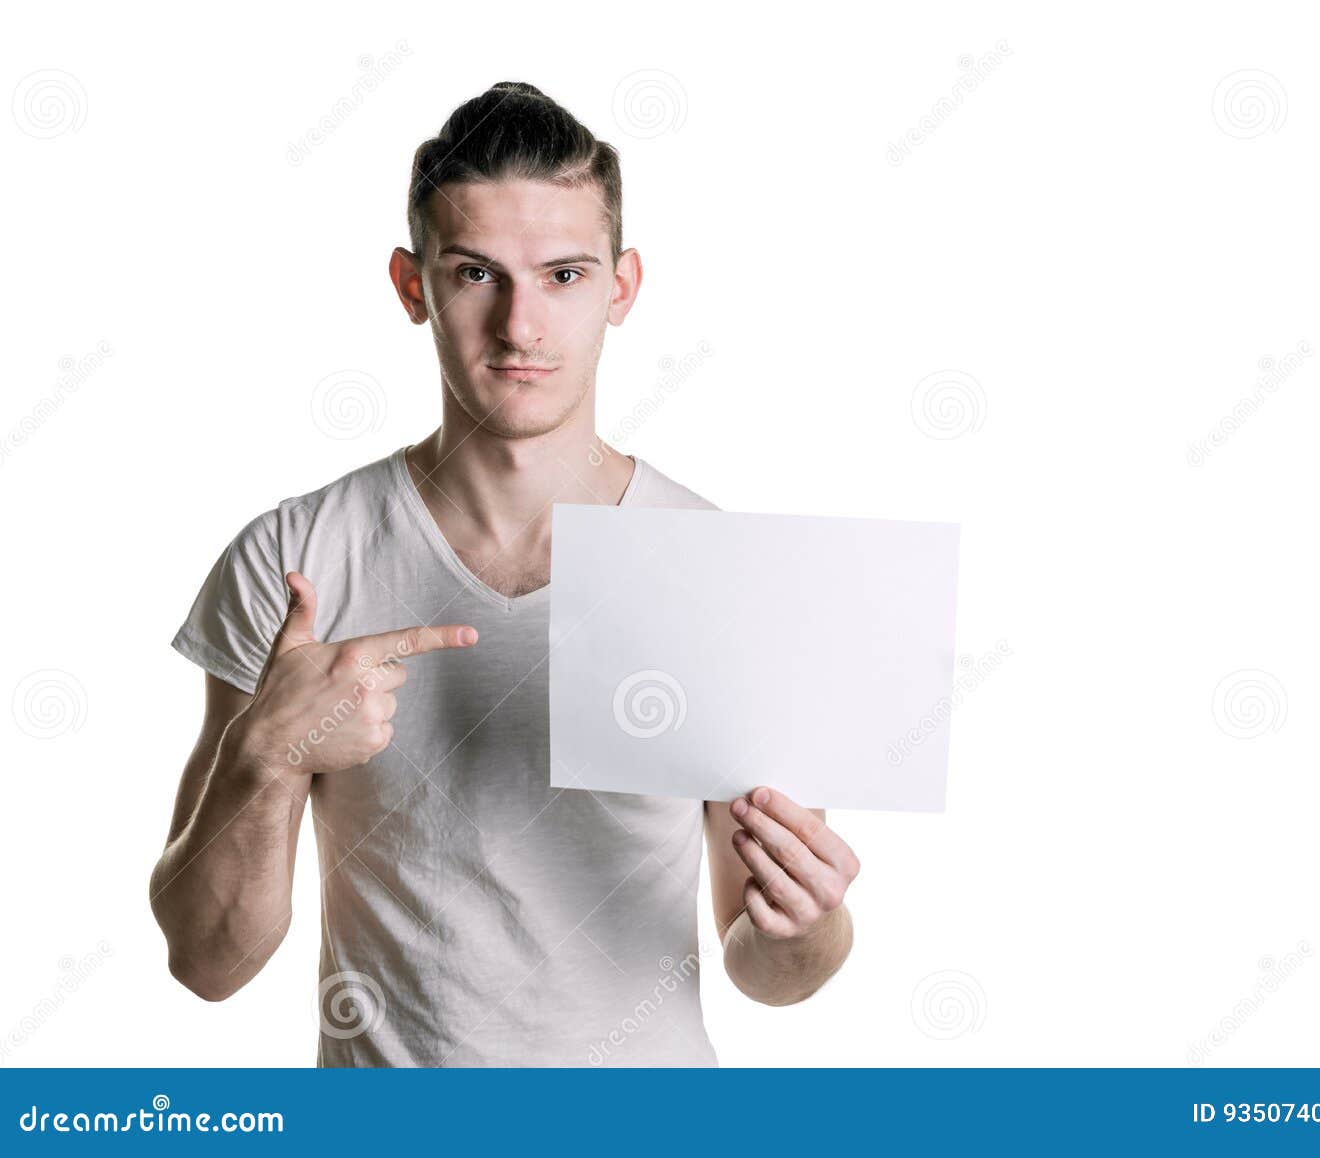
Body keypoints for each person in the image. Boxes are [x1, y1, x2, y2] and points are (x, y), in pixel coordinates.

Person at [148, 81, 859, 1066]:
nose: (520, 325)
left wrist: (810, 924)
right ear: (412, 287)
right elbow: (206, 962)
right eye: (476, 274)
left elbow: (770, 972)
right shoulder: (293, 559)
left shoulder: (718, 571)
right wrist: (264, 759)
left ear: (622, 286)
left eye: (563, 275)